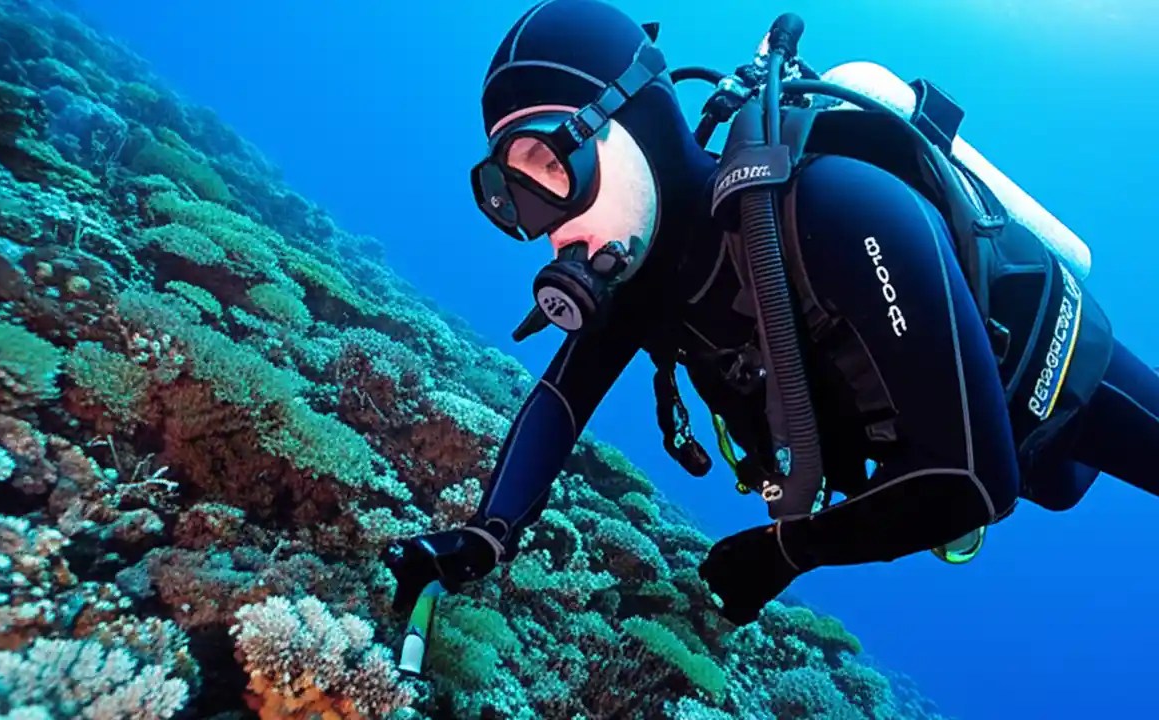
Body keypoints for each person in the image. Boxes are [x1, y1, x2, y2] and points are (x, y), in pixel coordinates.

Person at [382, 0, 1159, 628]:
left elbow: (972, 478)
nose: (548, 224)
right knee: (1057, 486)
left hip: (1060, 387)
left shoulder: (837, 207)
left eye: (552, 168)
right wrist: (485, 536)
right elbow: (558, 400)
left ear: (634, 122)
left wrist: (787, 551)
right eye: (513, 198)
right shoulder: (643, 274)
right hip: (939, 464)